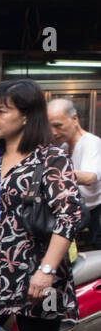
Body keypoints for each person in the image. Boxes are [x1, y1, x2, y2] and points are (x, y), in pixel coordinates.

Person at [0, 80, 83, 331]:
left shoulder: (51, 157)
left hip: (38, 276)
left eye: (3, 110)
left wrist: (46, 270)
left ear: (27, 116)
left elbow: (68, 215)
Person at [47, 98, 101, 246]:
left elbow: (90, 177)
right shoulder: (64, 147)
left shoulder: (91, 142)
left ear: (75, 119)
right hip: (81, 213)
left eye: (58, 125)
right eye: (50, 127)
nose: (54, 132)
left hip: (96, 214)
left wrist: (52, 172)